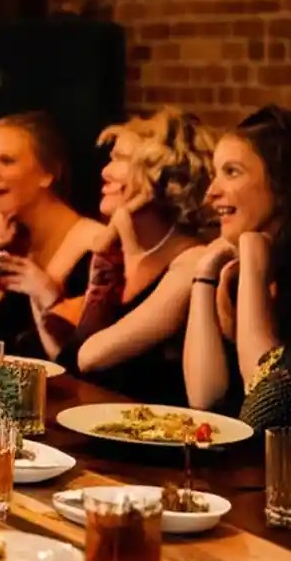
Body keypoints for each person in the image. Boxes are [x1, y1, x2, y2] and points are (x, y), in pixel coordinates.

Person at [182, 105, 291, 429]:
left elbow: (262, 399)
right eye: (215, 173)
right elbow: (203, 399)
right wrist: (205, 274)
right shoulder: (234, 269)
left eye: (231, 172)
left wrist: (253, 263)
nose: (211, 191)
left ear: (284, 184)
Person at [32, 108, 217, 404]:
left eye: (120, 159)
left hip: (157, 440)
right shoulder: (113, 255)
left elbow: (87, 358)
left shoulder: (190, 261)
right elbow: (70, 364)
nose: (105, 171)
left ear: (161, 173)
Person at [0, 111, 105, 351]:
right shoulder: (6, 239)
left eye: (6, 161)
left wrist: (48, 298)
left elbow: (84, 365)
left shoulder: (95, 245)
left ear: (48, 173)